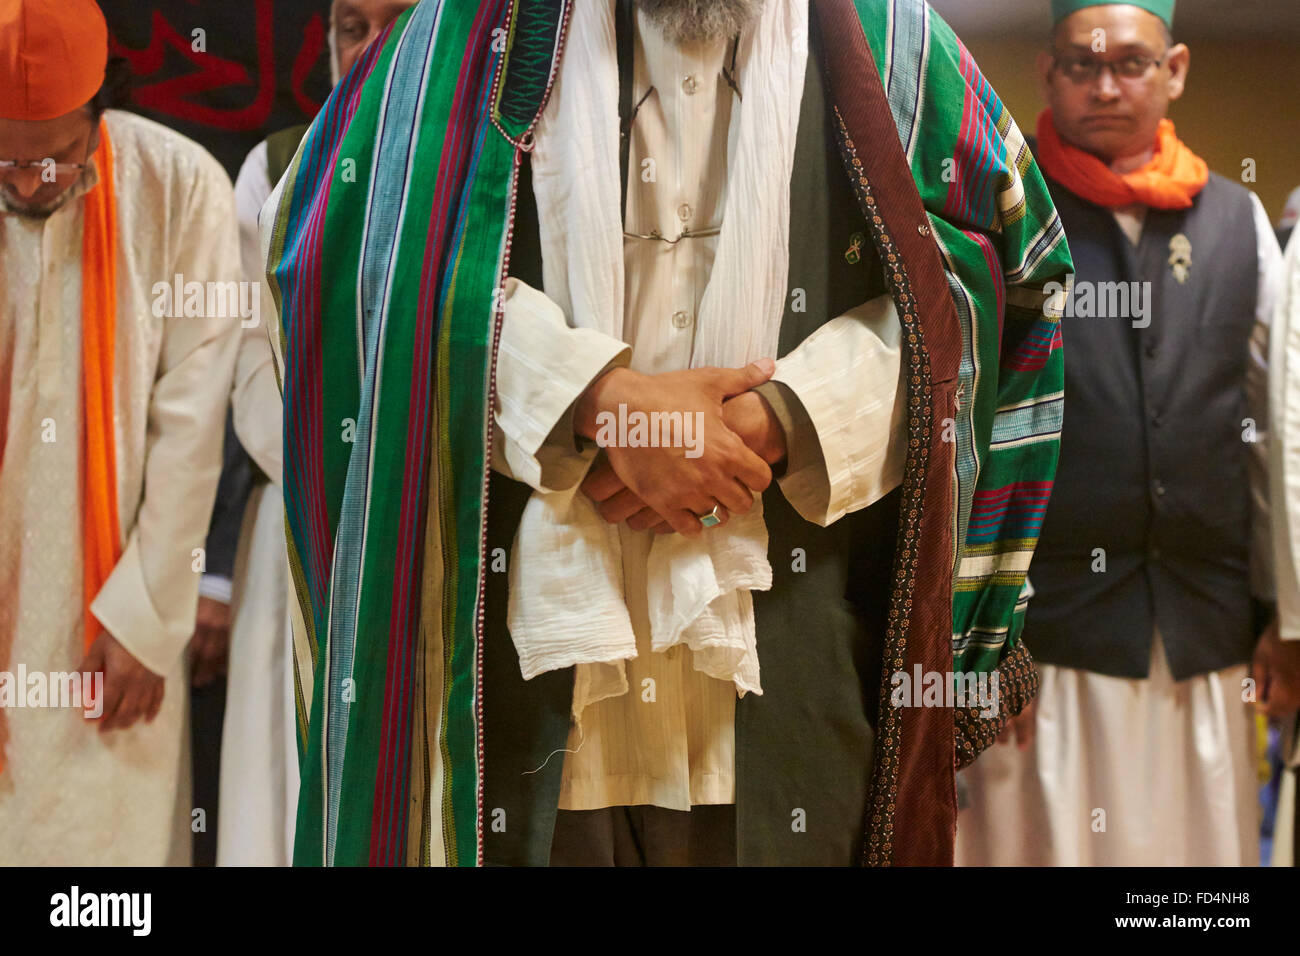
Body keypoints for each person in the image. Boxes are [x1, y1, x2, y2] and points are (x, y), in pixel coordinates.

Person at [266, 0, 1072, 866]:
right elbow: (343, 262)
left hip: (795, 678)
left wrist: (780, 419)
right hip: (519, 703)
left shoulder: (894, 41)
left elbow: (1005, 280)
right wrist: (592, 401)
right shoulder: (458, 37)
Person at [956, 0, 1284, 866]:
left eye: (1130, 64)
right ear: (1047, 75)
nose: (1105, 84)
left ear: (1174, 70)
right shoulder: (1002, 218)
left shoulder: (1239, 224)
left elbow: (1275, 441)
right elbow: (966, 436)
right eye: (1080, 64)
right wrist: (984, 638)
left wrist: (1284, 615)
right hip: (1047, 644)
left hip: (1202, 639)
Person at [0, 0, 241, 864]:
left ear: (102, 108)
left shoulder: (176, 187)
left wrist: (146, 621)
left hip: (110, 633)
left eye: (56, 159)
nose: (28, 185)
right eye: (8, 158)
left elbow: (193, 423)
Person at [215, 0, 420, 869]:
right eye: (348, 25)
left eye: (389, 23)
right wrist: (349, 471)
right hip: (305, 517)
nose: (365, 46)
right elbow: (249, 368)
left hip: (427, 516)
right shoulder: (275, 166)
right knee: (285, 784)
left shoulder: (481, 156)